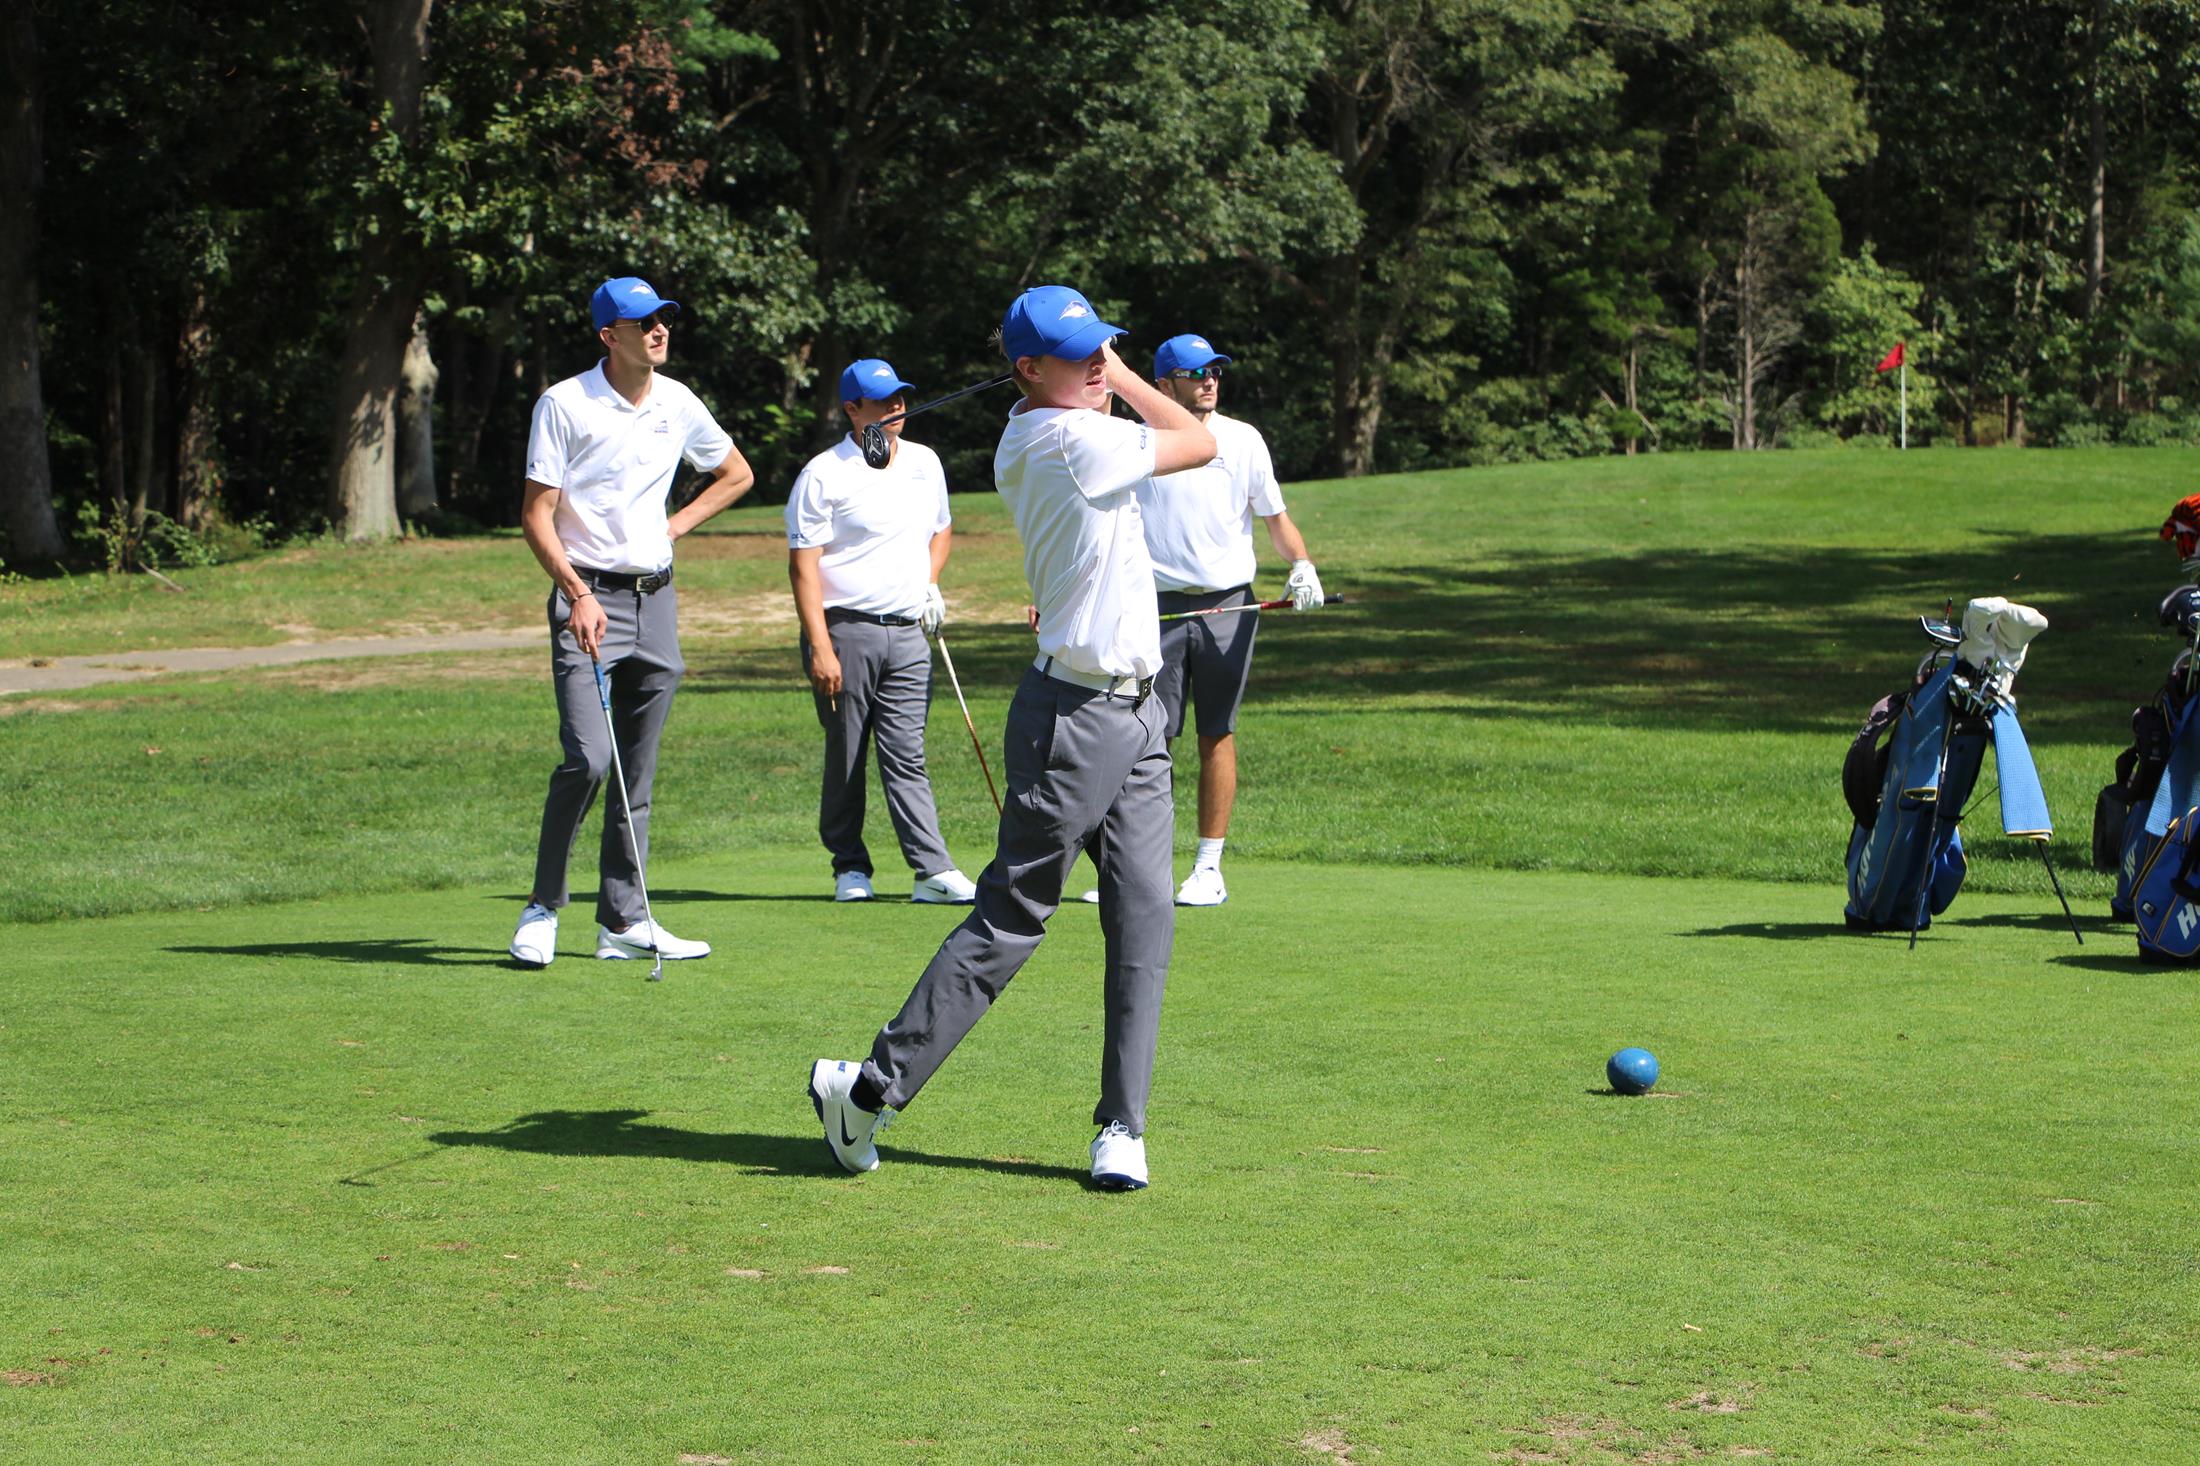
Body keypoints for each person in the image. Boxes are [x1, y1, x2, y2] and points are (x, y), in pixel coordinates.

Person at [809, 285, 1216, 1191]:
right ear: (1030, 369)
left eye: (1103, 350)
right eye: (1083, 359)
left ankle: (1122, 1124)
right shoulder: (1067, 439)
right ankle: (871, 1087)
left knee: (1145, 914)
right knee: (1015, 916)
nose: (1099, 367)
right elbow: (1198, 440)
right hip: (1075, 721)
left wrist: (1101, 374)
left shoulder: (1058, 426)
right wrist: (1131, 379)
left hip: (1138, 710)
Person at [508, 276, 755, 968]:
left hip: (658, 602)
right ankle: (541, 909)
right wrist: (576, 591)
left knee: (634, 773)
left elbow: (737, 474)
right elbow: (535, 515)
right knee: (589, 759)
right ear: (607, 336)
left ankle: (624, 920)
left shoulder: (677, 402)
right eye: (641, 322)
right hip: (587, 601)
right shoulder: (565, 403)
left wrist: (672, 527)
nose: (658, 330)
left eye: (663, 320)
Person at [1128, 332, 1324, 908]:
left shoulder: (1242, 440)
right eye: (1195, 373)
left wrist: (1302, 563)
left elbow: (1275, 518)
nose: (1209, 380)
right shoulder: (1139, 441)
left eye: (1214, 370)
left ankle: (1208, 867)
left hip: (1228, 606)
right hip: (1156, 606)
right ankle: (1141, 868)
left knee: (1217, 732)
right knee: (1147, 738)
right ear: (1163, 386)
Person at [785, 358, 978, 905]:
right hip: (846, 630)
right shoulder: (824, 473)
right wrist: (820, 646)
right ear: (852, 409)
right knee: (847, 752)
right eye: (883, 401)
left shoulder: (924, 462)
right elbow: (803, 567)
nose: (897, 408)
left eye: (900, 397)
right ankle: (849, 866)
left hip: (909, 630)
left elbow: (941, 530)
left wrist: (930, 584)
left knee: (906, 754)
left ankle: (930, 869)